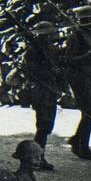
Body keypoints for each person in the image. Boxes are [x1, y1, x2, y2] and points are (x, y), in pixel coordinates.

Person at [62, 6, 91, 160]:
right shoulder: (76, 37)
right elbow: (68, 60)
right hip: (80, 79)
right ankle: (82, 147)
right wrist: (87, 56)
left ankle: (77, 140)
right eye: (90, 20)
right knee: (89, 111)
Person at [23, 20, 62, 170]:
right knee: (43, 126)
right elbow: (32, 72)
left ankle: (39, 157)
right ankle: (37, 158)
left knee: (46, 126)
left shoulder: (49, 49)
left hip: (49, 89)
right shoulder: (33, 51)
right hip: (40, 90)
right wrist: (51, 72)